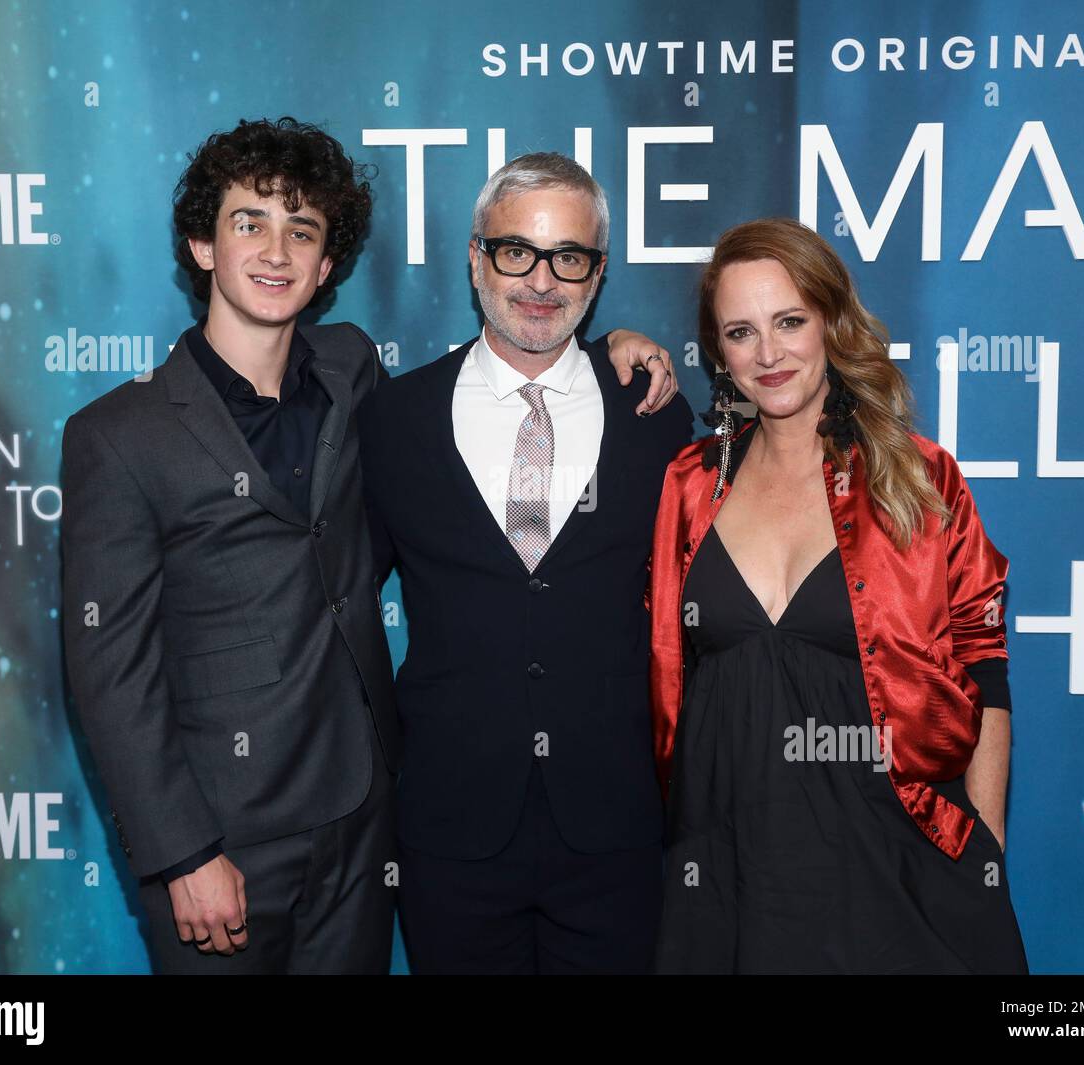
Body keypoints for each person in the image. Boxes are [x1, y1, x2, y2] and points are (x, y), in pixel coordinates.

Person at [60, 118, 676, 974]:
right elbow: (108, 668)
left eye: (302, 231)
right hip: (223, 835)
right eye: (249, 224)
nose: (276, 251)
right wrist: (181, 852)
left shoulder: (356, 380)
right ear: (202, 243)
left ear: (325, 265)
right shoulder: (118, 435)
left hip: (362, 824)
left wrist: (614, 349)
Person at [647, 217, 1029, 974]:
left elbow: (983, 667)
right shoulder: (690, 483)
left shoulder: (919, 478)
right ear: (717, 352)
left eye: (790, 321)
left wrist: (981, 850)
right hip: (732, 873)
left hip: (899, 869)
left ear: (830, 321)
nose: (769, 353)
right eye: (741, 331)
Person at [358, 153, 695, 974]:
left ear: (597, 273)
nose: (541, 280)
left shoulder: (656, 413)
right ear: (476, 258)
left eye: (568, 257)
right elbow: (339, 598)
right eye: (517, 251)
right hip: (450, 831)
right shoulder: (395, 418)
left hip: (615, 831)